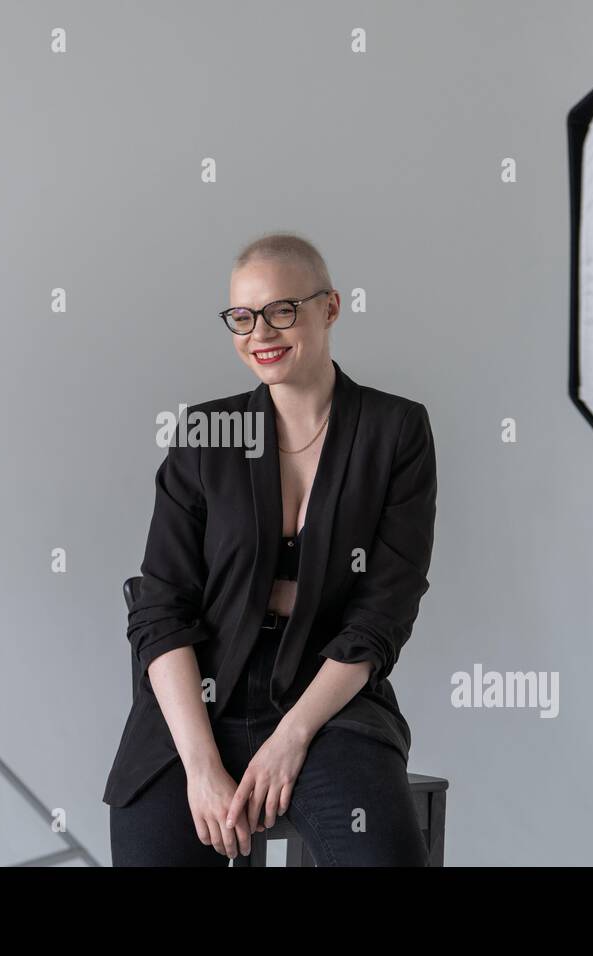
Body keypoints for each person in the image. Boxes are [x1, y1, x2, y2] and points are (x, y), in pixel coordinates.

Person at [105, 232, 438, 866]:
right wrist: (200, 766)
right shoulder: (206, 432)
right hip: (197, 702)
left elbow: (383, 613)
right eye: (242, 316)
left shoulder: (395, 431)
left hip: (326, 702)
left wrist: (293, 736)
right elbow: (160, 608)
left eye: (284, 309)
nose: (261, 331)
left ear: (331, 307)